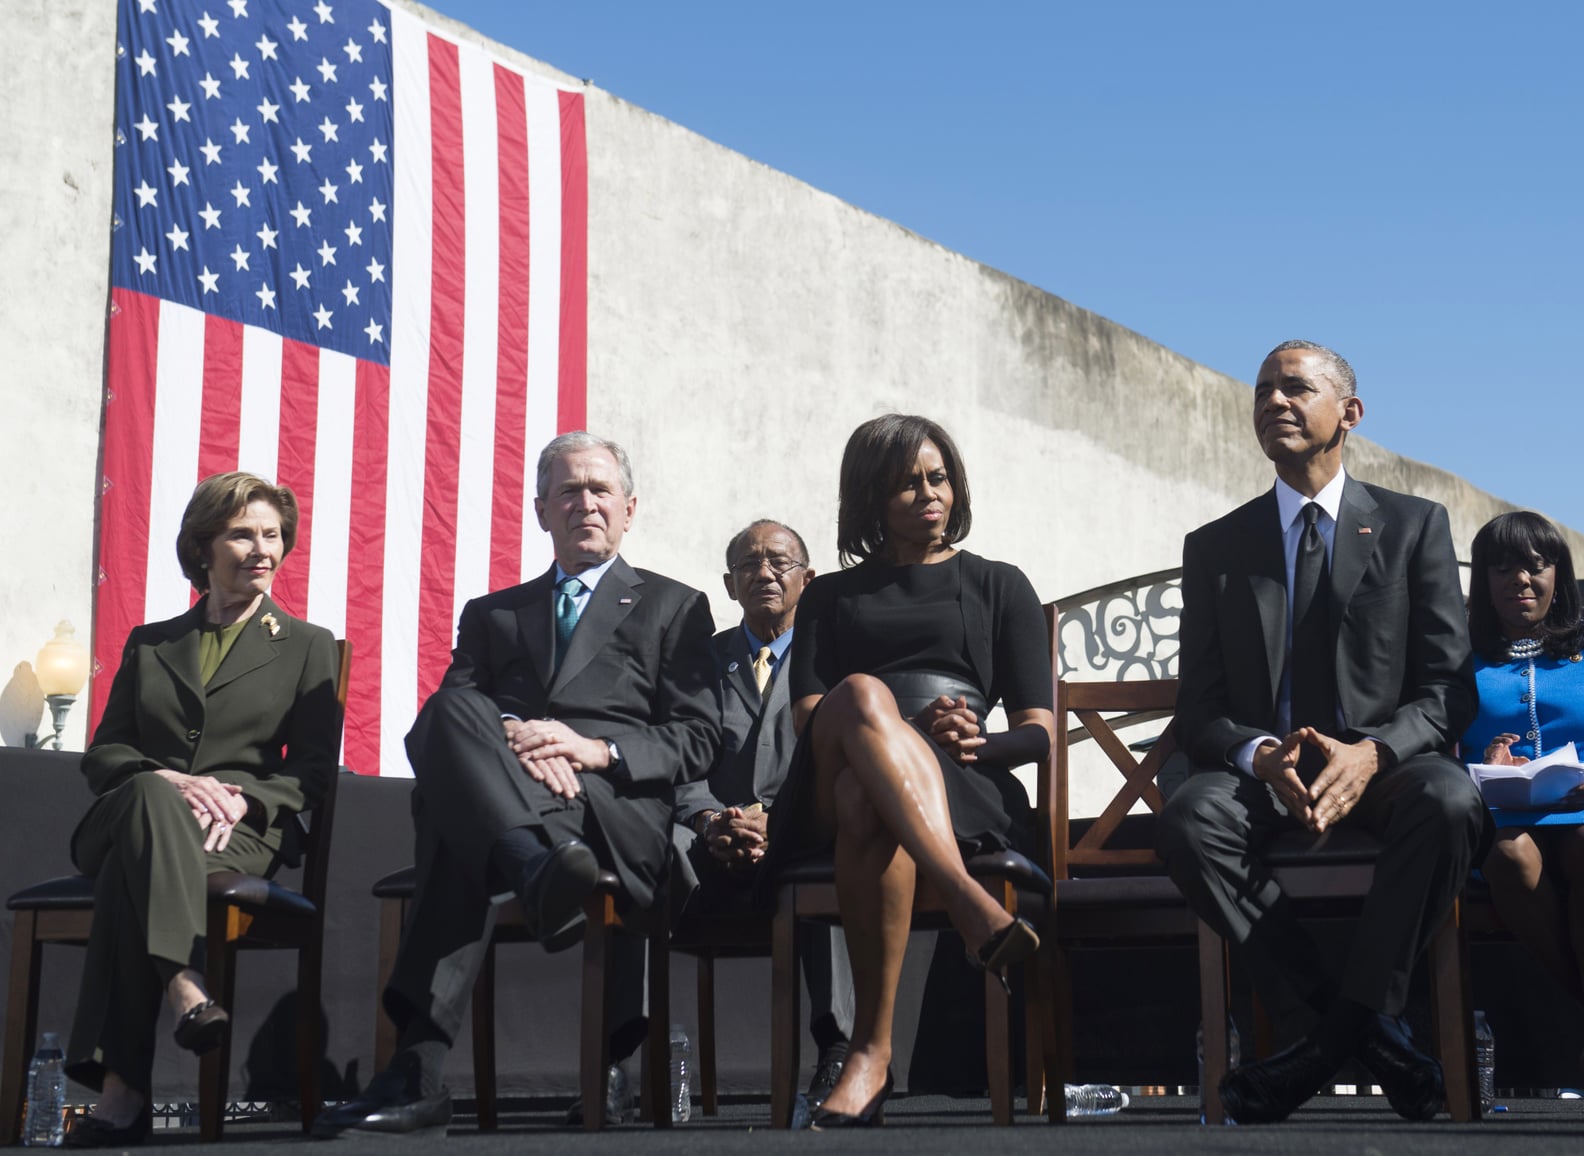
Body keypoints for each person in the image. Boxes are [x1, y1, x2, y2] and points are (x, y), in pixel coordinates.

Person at [314, 431, 718, 1138]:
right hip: (526, 797)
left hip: (609, 810)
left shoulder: (673, 607)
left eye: (599, 490)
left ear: (629, 509)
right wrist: (518, 744)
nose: (584, 503)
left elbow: (698, 737)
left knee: (457, 827)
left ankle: (417, 1070)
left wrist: (591, 748)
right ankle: (530, 863)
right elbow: (449, 724)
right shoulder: (492, 613)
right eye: (569, 490)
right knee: (449, 717)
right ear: (540, 510)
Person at [1157, 339, 1489, 1124]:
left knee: (1449, 804)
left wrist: (1373, 752)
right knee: (1187, 820)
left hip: (1383, 769)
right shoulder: (1215, 548)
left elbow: (1449, 690)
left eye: (1296, 388)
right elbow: (1198, 707)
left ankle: (1322, 1041)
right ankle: (1361, 1033)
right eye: (1263, 389)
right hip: (1263, 782)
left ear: (1350, 413)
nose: (1273, 400)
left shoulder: (1413, 527)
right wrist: (1256, 754)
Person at [764, 413, 1054, 1129]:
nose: (929, 494)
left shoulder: (999, 585)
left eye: (938, 477)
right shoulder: (829, 595)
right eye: (905, 484)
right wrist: (900, 730)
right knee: (861, 697)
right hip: (832, 768)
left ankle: (871, 1053)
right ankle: (964, 897)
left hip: (961, 776)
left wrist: (969, 745)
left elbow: (1039, 734)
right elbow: (808, 716)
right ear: (869, 500)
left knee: (870, 801)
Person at [62, 472, 342, 1148]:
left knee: (139, 873)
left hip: (235, 830)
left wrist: (248, 796)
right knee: (150, 803)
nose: (260, 549)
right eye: (242, 534)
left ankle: (121, 1095)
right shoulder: (151, 642)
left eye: (272, 535)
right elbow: (104, 756)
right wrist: (165, 778)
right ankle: (186, 982)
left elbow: (310, 771)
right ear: (203, 546)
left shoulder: (306, 646)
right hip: (129, 811)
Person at [673, 519, 854, 1106]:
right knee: (644, 848)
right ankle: (625, 1057)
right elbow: (677, 758)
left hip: (801, 834)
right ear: (729, 584)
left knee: (832, 861)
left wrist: (782, 822)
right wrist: (709, 821)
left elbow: (847, 760)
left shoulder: (837, 660)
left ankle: (839, 1051)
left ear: (810, 578)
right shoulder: (697, 661)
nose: (765, 573)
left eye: (780, 561)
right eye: (749, 564)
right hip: (713, 842)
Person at [1462, 511, 1584, 1011]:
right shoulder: (1455, 659)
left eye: (1537, 565)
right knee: (1511, 855)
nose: (1521, 579)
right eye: (1504, 568)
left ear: (1559, 574)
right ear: (1484, 581)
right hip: (1498, 815)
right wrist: (1484, 763)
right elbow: (1434, 744)